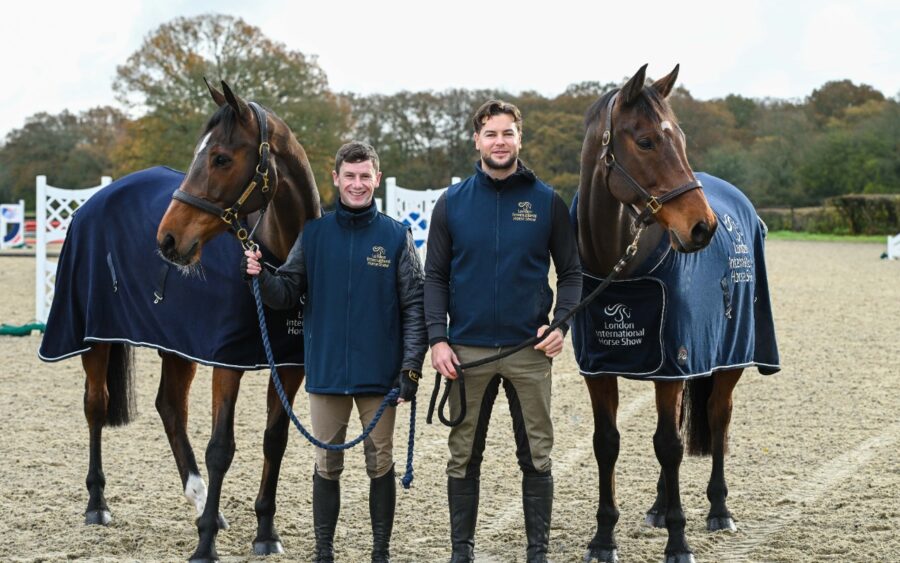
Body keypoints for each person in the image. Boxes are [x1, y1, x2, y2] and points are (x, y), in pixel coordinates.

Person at [242, 141, 426, 563]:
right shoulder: (314, 234)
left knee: (380, 464)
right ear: (336, 178)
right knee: (327, 464)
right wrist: (259, 275)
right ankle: (324, 551)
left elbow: (414, 305)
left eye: (365, 176)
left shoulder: (397, 236)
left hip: (380, 376)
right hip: (326, 374)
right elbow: (287, 290)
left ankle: (380, 551)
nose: (357, 184)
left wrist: (411, 367)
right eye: (350, 176)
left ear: (376, 179)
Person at [424, 100, 582, 563]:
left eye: (507, 133)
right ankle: (461, 552)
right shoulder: (452, 203)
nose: (499, 142)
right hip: (466, 352)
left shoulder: (547, 201)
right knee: (462, 456)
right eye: (490, 133)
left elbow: (571, 272)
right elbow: (434, 276)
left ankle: (538, 552)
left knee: (536, 454)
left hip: (528, 351)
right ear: (477, 140)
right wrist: (437, 338)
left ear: (519, 138)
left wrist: (562, 323)